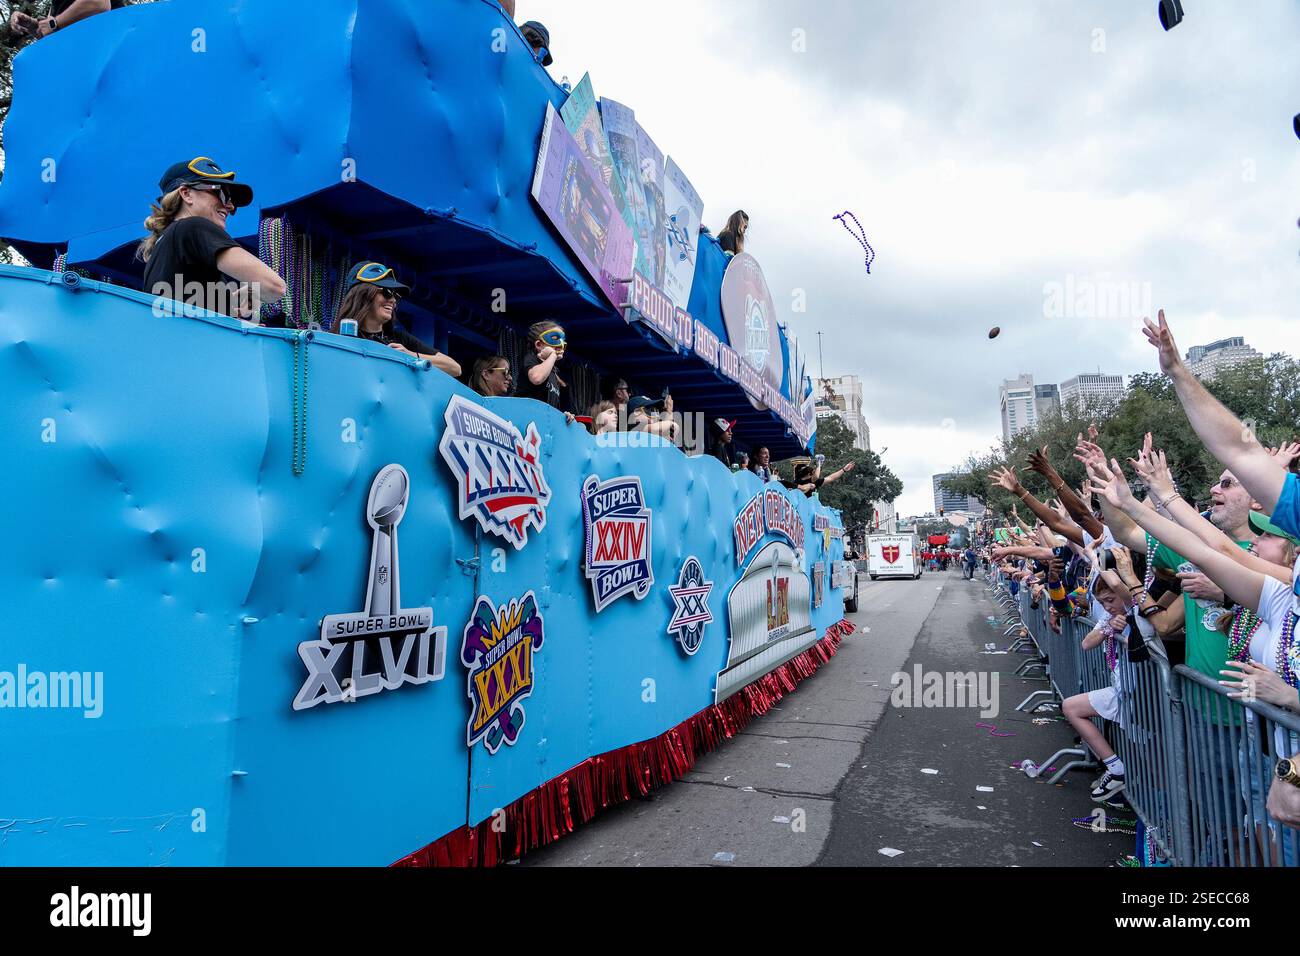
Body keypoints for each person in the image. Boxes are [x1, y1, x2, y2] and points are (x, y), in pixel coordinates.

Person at [139, 157, 286, 319]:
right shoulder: (193, 226)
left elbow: (184, 311)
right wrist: (260, 289)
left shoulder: (161, 251)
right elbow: (275, 287)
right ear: (186, 194)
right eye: (221, 193)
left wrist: (230, 304)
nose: (230, 206)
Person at [336, 262, 461, 376]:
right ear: (363, 295)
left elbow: (455, 368)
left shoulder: (400, 340)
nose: (393, 300)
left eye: (395, 295)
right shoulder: (339, 337)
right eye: (387, 292)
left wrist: (410, 355)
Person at [517, 320, 570, 411]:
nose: (561, 344)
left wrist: (565, 416)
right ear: (538, 344)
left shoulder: (554, 374)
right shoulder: (531, 359)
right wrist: (553, 355)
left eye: (563, 340)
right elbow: (537, 378)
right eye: (555, 338)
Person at [9, 0, 122, 41]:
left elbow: (98, 3)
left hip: (112, 45)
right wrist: (32, 25)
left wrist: (54, 23)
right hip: (84, 56)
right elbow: (51, 30)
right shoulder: (56, 4)